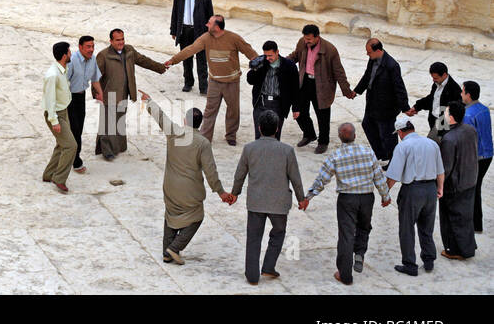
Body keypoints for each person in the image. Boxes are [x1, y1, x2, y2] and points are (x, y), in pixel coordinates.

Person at [141, 91, 233, 264]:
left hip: (170, 186)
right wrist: (220, 192)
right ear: (199, 124)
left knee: (171, 214)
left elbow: (161, 116)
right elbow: (210, 171)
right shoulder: (203, 143)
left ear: (185, 120)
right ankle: (174, 248)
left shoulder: (174, 132)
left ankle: (167, 253)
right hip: (190, 192)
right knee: (196, 217)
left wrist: (149, 101)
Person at [299, 123, 391, 285]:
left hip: (347, 199)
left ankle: (345, 274)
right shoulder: (368, 152)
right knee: (364, 227)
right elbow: (378, 176)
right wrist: (385, 196)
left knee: (346, 235)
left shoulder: (335, 156)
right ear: (354, 136)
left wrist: (308, 197)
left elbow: (322, 179)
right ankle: (360, 253)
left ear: (340, 138)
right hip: (367, 197)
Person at [225, 109, 306, 285]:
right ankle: (269, 267)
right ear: (277, 129)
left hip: (256, 202)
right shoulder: (287, 150)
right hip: (279, 203)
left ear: (259, 127)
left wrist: (234, 193)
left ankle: (252, 276)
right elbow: (295, 178)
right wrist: (302, 199)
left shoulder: (249, 148)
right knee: (278, 233)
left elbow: (240, 174)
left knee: (254, 238)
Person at [164, 15, 257, 146]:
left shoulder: (234, 38)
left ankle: (231, 136)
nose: (206, 25)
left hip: (232, 82)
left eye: (209, 23)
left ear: (217, 27)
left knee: (233, 111)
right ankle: (206, 137)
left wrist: (259, 63)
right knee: (209, 111)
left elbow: (249, 51)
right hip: (214, 82)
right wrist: (173, 60)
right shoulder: (205, 38)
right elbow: (190, 49)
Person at [94, 29, 166, 161]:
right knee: (108, 123)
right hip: (109, 93)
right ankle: (107, 151)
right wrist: (97, 94)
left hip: (124, 92)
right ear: (111, 41)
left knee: (119, 120)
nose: (121, 42)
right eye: (117, 40)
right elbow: (95, 77)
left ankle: (119, 147)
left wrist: (160, 68)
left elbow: (144, 61)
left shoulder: (129, 51)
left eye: (122, 39)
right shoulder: (103, 55)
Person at [385, 118, 445, 276]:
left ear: (400, 132)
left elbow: (393, 176)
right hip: (431, 189)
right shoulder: (431, 144)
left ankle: (410, 264)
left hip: (412, 190)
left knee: (406, 228)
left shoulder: (403, 146)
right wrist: (440, 188)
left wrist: (385, 194)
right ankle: (429, 260)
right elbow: (440, 170)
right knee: (427, 227)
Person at [290, 24, 354, 154]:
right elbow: (295, 56)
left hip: (322, 86)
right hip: (304, 81)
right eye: (305, 38)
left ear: (317, 37)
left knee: (323, 116)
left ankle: (323, 142)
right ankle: (309, 134)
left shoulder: (330, 50)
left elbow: (339, 72)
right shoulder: (302, 43)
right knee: (299, 111)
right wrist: (282, 63)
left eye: (309, 39)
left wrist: (346, 90)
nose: (306, 41)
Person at [354, 38, 409, 162]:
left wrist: (405, 107)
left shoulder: (392, 66)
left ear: (378, 50)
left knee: (387, 135)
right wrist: (357, 91)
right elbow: (367, 76)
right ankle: (381, 155)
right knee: (367, 125)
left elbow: (399, 87)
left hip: (386, 107)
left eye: (369, 52)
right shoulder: (372, 60)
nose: (367, 54)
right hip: (372, 103)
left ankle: (393, 160)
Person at [438, 102, 479, 260]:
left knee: (452, 220)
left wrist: (439, 186)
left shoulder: (449, 139)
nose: (445, 115)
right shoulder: (470, 130)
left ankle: (455, 250)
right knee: (466, 217)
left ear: (452, 117)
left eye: (447, 113)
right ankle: (468, 246)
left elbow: (445, 168)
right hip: (470, 179)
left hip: (455, 186)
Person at [42, 41, 78, 194]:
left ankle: (49, 174)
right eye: (69, 52)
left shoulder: (63, 69)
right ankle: (59, 178)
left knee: (61, 144)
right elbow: (49, 100)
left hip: (64, 112)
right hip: (56, 114)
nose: (71, 54)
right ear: (64, 55)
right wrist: (54, 121)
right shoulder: (52, 75)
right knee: (71, 146)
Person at [65, 35, 104, 174]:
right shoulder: (72, 60)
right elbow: (64, 82)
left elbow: (95, 79)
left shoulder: (92, 59)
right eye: (88, 46)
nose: (91, 49)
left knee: (79, 128)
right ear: (80, 47)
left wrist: (100, 94)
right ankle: (75, 161)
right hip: (69, 98)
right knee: (74, 129)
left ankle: (72, 156)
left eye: (92, 46)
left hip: (81, 97)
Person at [169, 0, 213, 95]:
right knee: (186, 58)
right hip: (184, 31)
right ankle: (188, 83)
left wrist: (211, 34)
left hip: (199, 32)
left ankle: (204, 87)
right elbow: (175, 13)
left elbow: (211, 17)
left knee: (201, 60)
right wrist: (174, 30)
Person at [246, 41, 298, 141]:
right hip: (261, 103)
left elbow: (295, 87)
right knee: (259, 136)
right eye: (265, 55)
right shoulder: (261, 62)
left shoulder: (289, 65)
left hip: (278, 104)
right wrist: (255, 69)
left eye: (270, 55)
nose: (268, 58)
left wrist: (296, 108)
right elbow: (250, 80)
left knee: (275, 137)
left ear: (277, 52)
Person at [461, 81, 492, 233]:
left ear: (468, 94)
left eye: (462, 91)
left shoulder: (468, 115)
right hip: (488, 154)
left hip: (477, 156)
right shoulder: (484, 109)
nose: (461, 94)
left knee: (472, 189)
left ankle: (475, 224)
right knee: (476, 187)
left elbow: (467, 139)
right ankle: (476, 224)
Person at [406, 62, 462, 139]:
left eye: (435, 78)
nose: (433, 80)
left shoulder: (454, 89)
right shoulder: (437, 84)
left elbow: (457, 109)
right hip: (434, 120)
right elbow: (432, 99)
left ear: (444, 75)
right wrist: (417, 107)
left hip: (443, 124)